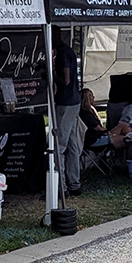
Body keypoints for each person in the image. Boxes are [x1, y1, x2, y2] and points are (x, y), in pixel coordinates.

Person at [52, 25, 82, 197]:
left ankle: (61, 187)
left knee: (59, 145)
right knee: (72, 144)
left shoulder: (63, 53)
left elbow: (66, 79)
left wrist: (49, 77)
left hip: (65, 102)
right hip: (74, 101)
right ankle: (74, 183)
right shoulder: (68, 51)